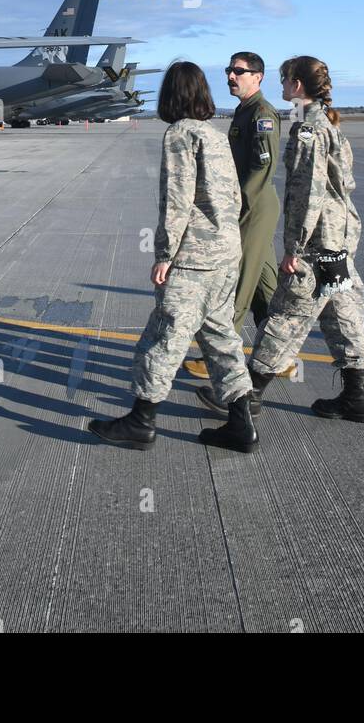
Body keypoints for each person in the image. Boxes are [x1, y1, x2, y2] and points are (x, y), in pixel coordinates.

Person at [88, 61, 258, 453]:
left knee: (163, 338)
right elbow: (235, 197)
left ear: (171, 95)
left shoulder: (180, 134)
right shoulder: (214, 135)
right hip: (225, 254)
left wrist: (165, 254)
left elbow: (177, 202)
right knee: (221, 339)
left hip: (194, 258)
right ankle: (240, 423)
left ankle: (141, 421)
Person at [205, 55, 364, 432]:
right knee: (342, 313)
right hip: (341, 236)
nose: (282, 85)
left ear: (296, 85)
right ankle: (357, 396)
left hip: (317, 242)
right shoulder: (329, 122)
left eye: (285, 79)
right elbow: (345, 182)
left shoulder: (307, 128)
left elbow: (307, 193)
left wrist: (294, 250)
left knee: (286, 315)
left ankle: (247, 397)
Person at [185, 51, 280, 392]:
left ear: (258, 76)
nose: (230, 76)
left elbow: (263, 168)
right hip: (251, 207)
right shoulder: (244, 111)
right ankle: (279, 353)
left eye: (239, 71)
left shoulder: (262, 113)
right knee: (266, 288)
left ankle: (222, 357)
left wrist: (237, 207)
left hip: (253, 208)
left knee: (238, 281)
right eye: (229, 70)